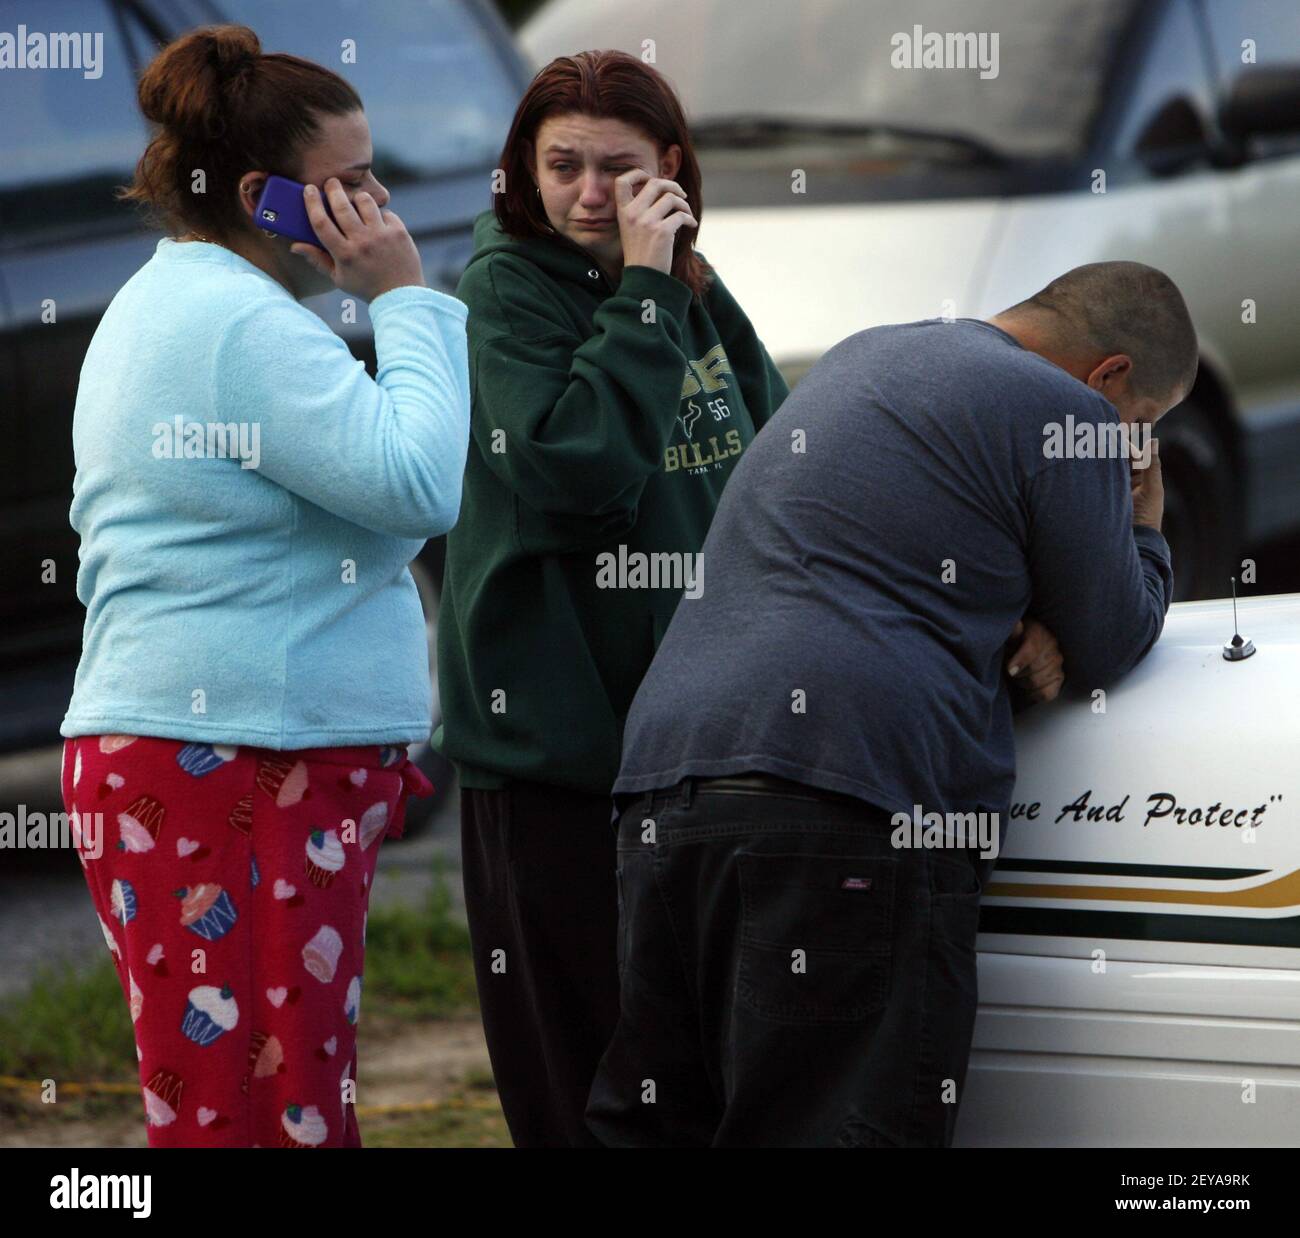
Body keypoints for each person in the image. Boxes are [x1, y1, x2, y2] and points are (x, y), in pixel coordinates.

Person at [587, 261, 1196, 1147]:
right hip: (848, 796)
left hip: (667, 782)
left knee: (663, 1122)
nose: (1125, 444)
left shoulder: (861, 358)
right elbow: (1111, 635)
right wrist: (1145, 525)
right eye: (1138, 424)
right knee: (834, 1123)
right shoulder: (1066, 413)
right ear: (1107, 377)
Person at [59, 24, 469, 1148]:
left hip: (220, 759)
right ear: (263, 195)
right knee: (263, 1112)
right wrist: (410, 299)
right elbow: (421, 479)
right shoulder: (235, 324)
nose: (379, 203)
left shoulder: (183, 301)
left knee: (242, 1100)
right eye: (349, 181)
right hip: (234, 764)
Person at [434, 49, 789, 1146]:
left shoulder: (684, 274)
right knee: (580, 1076)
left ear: (671, 167)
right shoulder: (504, 285)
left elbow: (775, 444)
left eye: (618, 168)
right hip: (560, 758)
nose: (590, 194)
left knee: (684, 1069)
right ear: (521, 170)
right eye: (563, 166)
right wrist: (639, 289)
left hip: (688, 743)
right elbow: (574, 477)